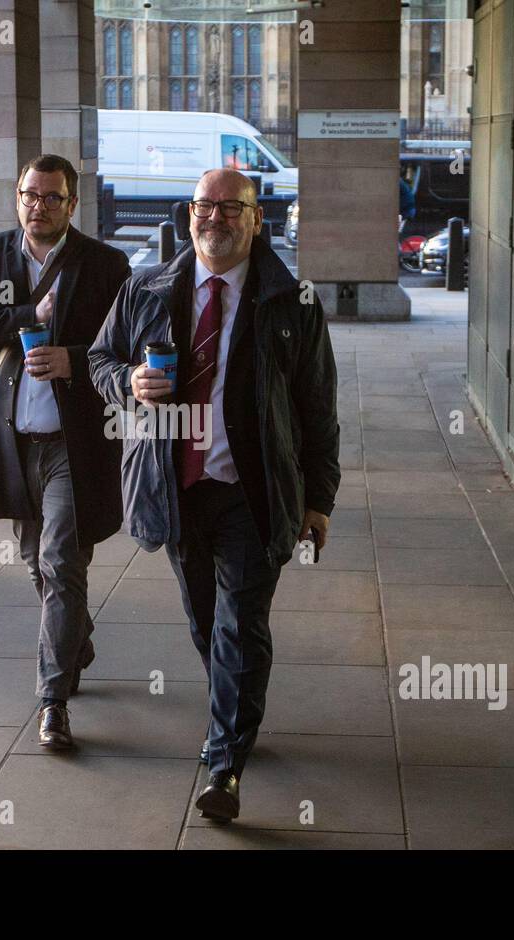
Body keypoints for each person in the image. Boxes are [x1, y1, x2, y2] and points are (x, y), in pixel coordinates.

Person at [89, 168, 341, 822]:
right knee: (206, 622)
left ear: (257, 219)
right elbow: (99, 360)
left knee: (239, 624)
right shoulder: (147, 288)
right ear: (190, 213)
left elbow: (318, 408)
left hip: (253, 495)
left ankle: (224, 763)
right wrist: (130, 382)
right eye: (207, 206)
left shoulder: (295, 301)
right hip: (176, 493)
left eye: (234, 208)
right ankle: (235, 707)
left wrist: (320, 499)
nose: (217, 218)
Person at [0, 154, 131, 751]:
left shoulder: (105, 265)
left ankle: (52, 702)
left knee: (59, 561)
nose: (38, 205)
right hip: (12, 439)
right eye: (29, 194)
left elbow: (125, 344)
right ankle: (74, 638)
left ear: (72, 204)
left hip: (74, 446)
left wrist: (72, 357)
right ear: (16, 196)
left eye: (52, 197)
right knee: (36, 563)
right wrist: (29, 316)